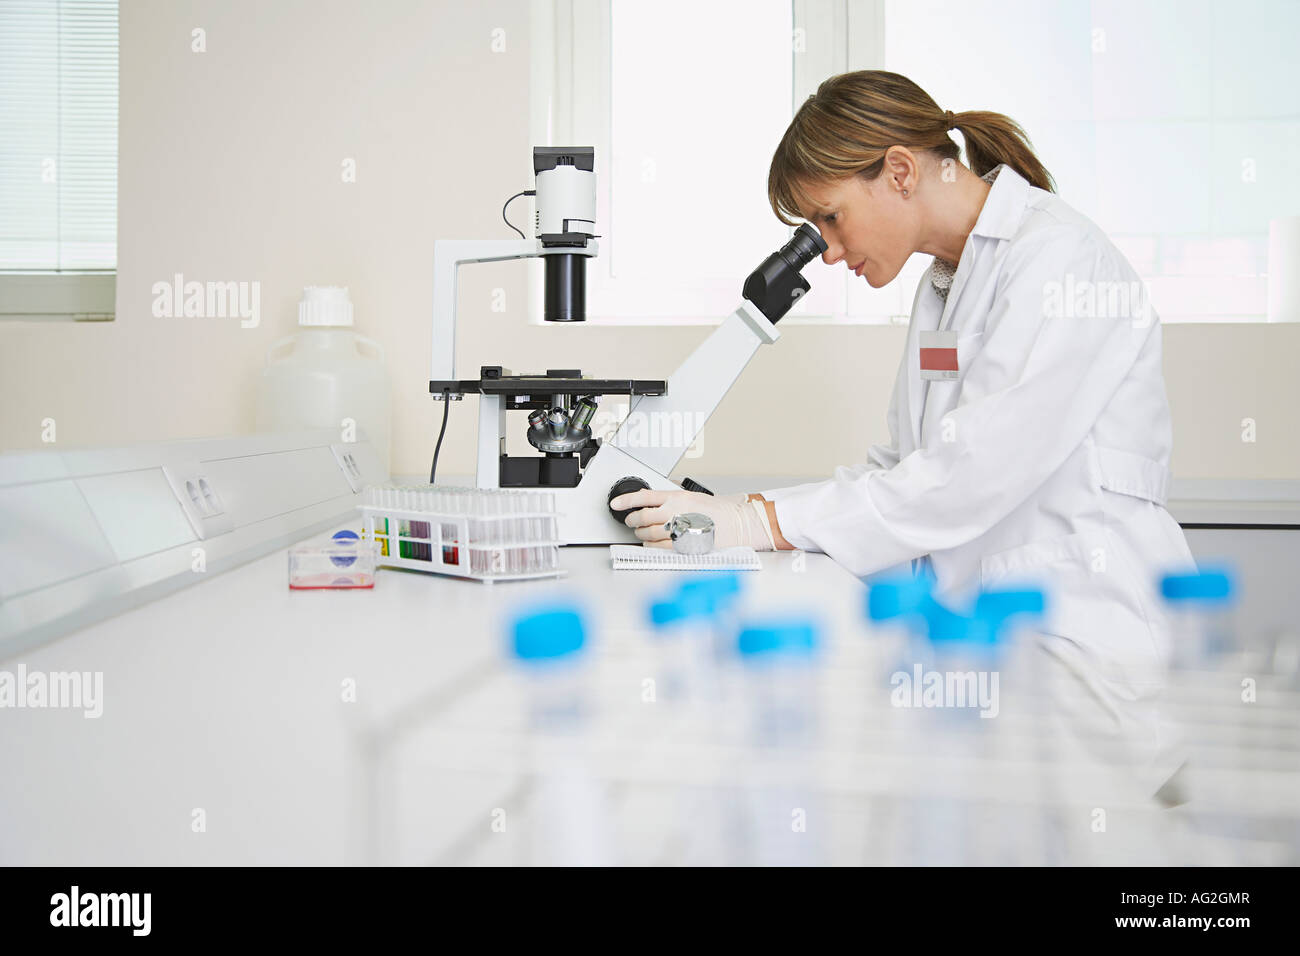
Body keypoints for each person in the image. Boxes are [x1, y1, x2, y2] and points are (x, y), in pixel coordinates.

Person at [610, 70, 1198, 804]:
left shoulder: (1059, 262)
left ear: (897, 171)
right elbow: (906, 464)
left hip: (1084, 656)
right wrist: (748, 515)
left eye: (829, 218)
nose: (825, 252)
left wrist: (760, 521)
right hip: (989, 652)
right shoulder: (944, 286)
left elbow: (970, 474)